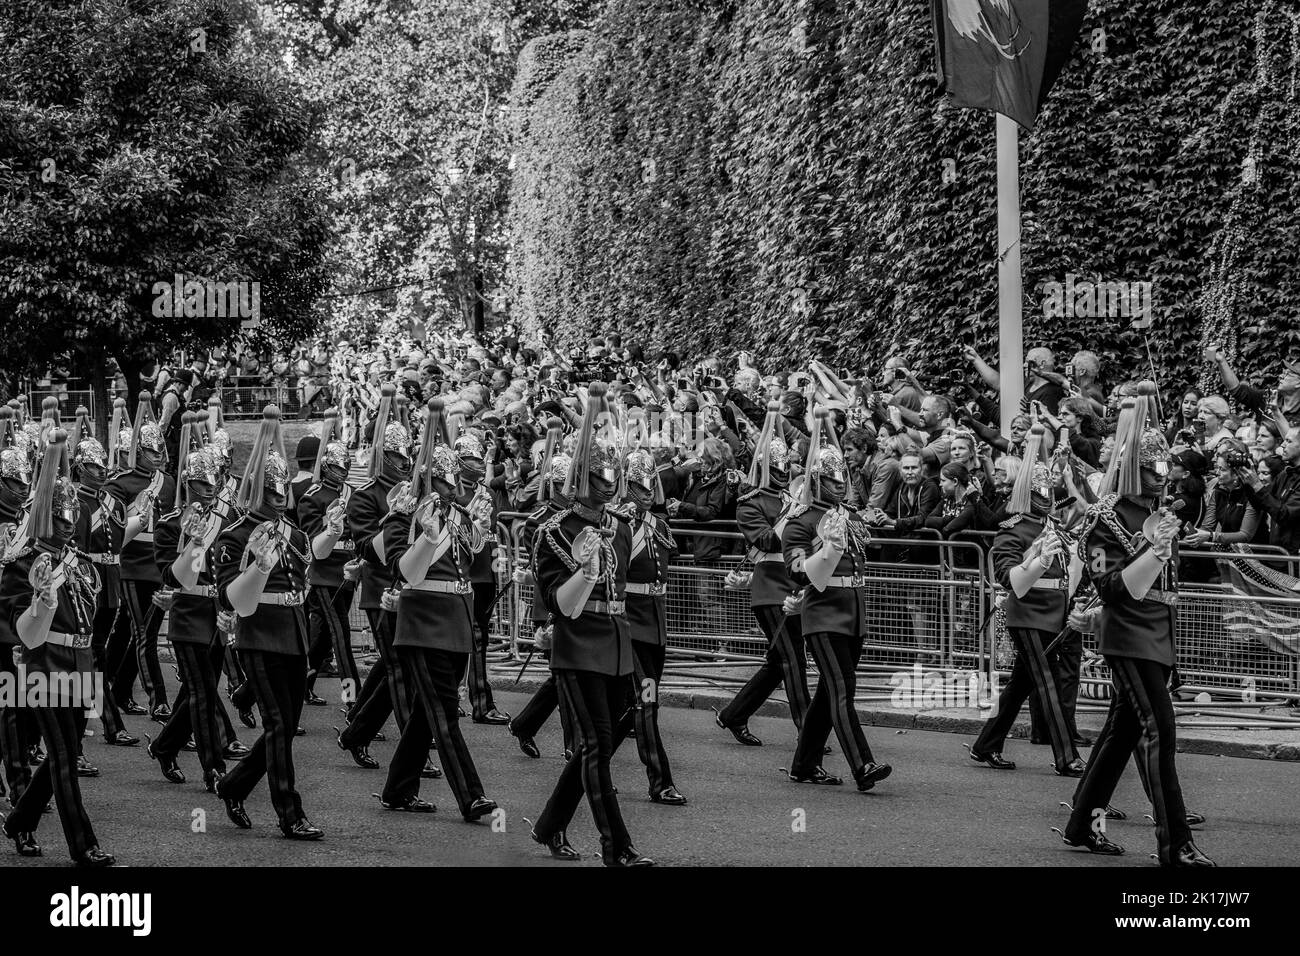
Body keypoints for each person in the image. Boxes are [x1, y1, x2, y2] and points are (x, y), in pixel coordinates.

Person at [1057, 387, 1214, 867]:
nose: (1162, 480)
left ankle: (1084, 824)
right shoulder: (1106, 518)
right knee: (1158, 734)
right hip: (1127, 636)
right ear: (1132, 470)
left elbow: (1165, 589)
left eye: (1164, 471)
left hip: (1157, 636)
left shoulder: (1157, 516)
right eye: (1152, 470)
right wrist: (1156, 551)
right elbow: (1111, 587)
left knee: (1121, 736)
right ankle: (1175, 843)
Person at [528, 382, 653, 866]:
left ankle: (551, 824)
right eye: (599, 478)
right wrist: (585, 572)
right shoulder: (554, 531)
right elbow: (560, 605)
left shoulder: (620, 524)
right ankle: (616, 847)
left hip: (619, 642)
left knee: (600, 745)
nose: (608, 486)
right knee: (596, 747)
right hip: (579, 645)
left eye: (612, 478)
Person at [376, 399, 499, 821]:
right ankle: (471, 796)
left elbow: (474, 559)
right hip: (422, 622)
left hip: (455, 620)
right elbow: (401, 569)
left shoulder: (457, 514)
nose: (451, 491)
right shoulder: (405, 515)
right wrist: (427, 538)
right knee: (445, 713)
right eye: (445, 484)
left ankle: (397, 788)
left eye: (452, 486)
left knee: (428, 717)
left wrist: (479, 527)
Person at [0, 429, 116, 866]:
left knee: (64, 754)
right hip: (44, 664)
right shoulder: (24, 562)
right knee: (64, 757)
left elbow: (92, 620)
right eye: (61, 518)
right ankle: (83, 844)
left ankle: (19, 821)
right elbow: (22, 629)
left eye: (72, 519)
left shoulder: (80, 563)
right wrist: (40, 599)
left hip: (80, 662)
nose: (69, 525)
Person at [212, 406, 323, 840]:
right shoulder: (234, 535)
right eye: (273, 495)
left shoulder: (293, 534)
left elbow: (305, 579)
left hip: (292, 634)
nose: (280, 501)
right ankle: (289, 812)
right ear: (256, 491)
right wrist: (257, 565)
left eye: (283, 496)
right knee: (279, 725)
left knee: (284, 729)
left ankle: (232, 785)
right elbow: (229, 595)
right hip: (258, 635)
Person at [782, 408, 891, 792]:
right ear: (816, 481)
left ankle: (804, 764)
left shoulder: (850, 516)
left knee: (830, 691)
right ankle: (863, 765)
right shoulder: (801, 522)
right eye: (831, 480)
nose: (839, 484)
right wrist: (827, 548)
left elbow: (863, 554)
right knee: (843, 690)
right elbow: (797, 571)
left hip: (852, 612)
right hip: (824, 614)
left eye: (841, 477)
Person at [968, 425, 1085, 776]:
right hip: (1028, 614)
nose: (1047, 499)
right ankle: (1066, 756)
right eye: (1041, 493)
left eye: (1049, 493)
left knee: (1022, 683)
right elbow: (1008, 578)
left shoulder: (1054, 528)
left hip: (1053, 614)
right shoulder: (1012, 530)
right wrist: (1038, 561)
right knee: (1047, 682)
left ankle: (985, 744)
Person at [149, 413, 242, 793]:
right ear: (188, 483)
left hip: (216, 614)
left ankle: (164, 745)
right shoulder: (171, 524)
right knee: (203, 693)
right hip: (188, 615)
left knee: (197, 693)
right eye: (201, 482)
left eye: (213, 482)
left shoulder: (229, 518)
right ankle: (213, 768)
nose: (208, 488)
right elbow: (169, 575)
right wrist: (191, 540)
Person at [716, 401, 810, 744]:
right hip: (770, 590)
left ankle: (734, 714)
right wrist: (791, 511)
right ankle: (808, 729)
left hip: (794, 585)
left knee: (777, 663)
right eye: (779, 466)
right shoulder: (750, 502)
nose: (785, 471)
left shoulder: (793, 496)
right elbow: (767, 541)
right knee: (793, 662)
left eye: (788, 466)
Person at [101, 392, 175, 722]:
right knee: (141, 631)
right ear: (137, 450)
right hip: (132, 564)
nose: (157, 456)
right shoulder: (120, 482)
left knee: (136, 630)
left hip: (159, 563)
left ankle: (116, 689)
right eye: (150, 450)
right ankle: (156, 696)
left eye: (160, 450)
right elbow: (112, 524)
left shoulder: (170, 482)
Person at [619, 444, 686, 805]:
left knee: (635, 705)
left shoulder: (658, 525)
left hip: (654, 623)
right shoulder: (617, 526)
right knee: (647, 703)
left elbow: (666, 561)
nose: (646, 494)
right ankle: (660, 781)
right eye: (638, 487)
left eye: (649, 487)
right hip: (629, 622)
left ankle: (586, 763)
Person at [66, 410, 135, 750]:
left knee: (99, 654)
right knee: (92, 656)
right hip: (89, 583)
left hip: (110, 582)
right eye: (93, 466)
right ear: (79, 467)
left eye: (102, 465)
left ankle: (96, 717)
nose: (101, 470)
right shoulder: (74, 501)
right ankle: (109, 723)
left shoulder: (110, 500)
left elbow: (117, 542)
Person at [298, 412, 362, 716]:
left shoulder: (352, 494)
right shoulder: (313, 497)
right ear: (325, 466)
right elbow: (313, 541)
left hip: (346, 574)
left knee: (321, 641)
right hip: (323, 576)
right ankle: (353, 700)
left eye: (345, 465)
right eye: (337, 466)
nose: (343, 470)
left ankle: (298, 686)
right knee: (341, 637)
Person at [0, 409, 39, 805]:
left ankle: (18, 774)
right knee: (11, 704)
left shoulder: (30, 518)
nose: (20, 488)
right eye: (13, 482)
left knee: (20, 703)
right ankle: (20, 786)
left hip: (17, 619)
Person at [1240, 425, 1300, 552]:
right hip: (1276, 550)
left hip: (1293, 557)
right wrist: (1247, 482)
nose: (1282, 445)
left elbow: (1285, 516)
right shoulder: (1286, 473)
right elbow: (1261, 504)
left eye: (1289, 441)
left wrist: (1257, 485)